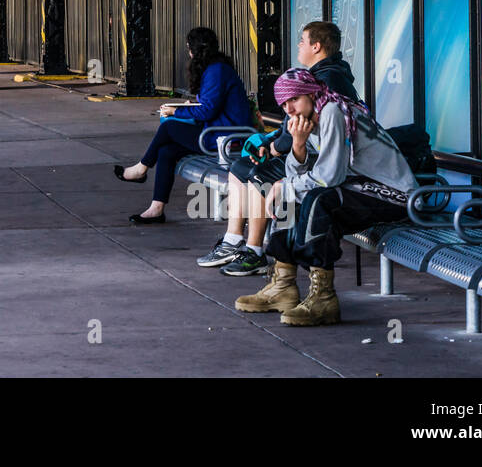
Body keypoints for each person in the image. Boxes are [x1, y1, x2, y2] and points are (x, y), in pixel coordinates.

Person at [233, 68, 418, 326]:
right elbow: (307, 174)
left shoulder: (332, 111)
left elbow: (329, 177)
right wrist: (297, 146)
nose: (289, 109)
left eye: (294, 99)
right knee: (292, 196)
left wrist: (285, 185)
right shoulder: (311, 118)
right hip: (358, 186)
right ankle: (283, 284)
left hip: (396, 195)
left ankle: (324, 298)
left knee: (318, 199)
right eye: (284, 104)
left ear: (311, 93)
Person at [198, 21, 359, 276]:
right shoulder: (326, 72)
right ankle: (233, 240)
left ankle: (255, 251)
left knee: (259, 175)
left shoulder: (327, 78)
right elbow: (291, 125)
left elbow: (300, 128)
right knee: (241, 167)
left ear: (316, 47)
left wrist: (274, 148)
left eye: (303, 41)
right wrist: (271, 143)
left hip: (320, 161)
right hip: (307, 152)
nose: (299, 45)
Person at [113, 26, 252, 224]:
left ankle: (141, 169)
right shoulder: (217, 68)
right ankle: (156, 209)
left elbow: (208, 111)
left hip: (226, 137)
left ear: (193, 49)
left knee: (169, 127)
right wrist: (190, 106)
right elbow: (211, 105)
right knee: (166, 152)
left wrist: (176, 111)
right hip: (218, 131)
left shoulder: (216, 71)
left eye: (188, 47)